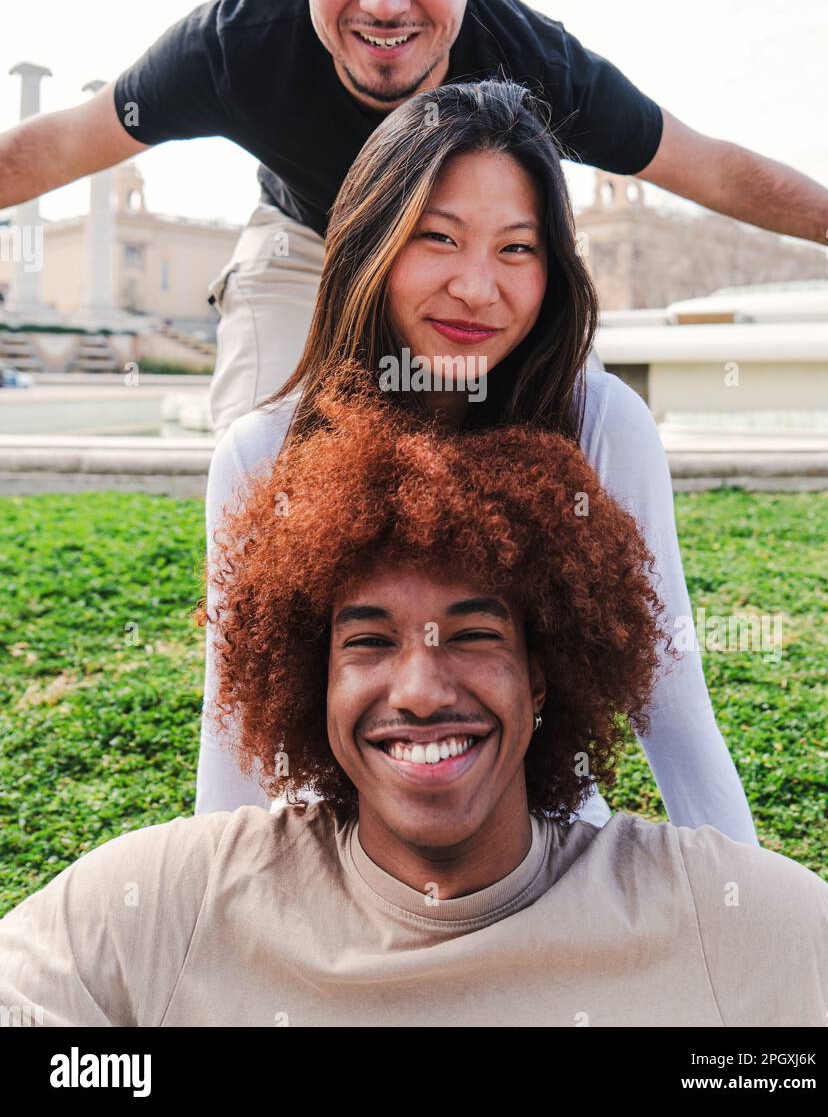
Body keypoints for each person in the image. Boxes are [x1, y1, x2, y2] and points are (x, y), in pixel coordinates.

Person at [1, 0, 828, 434]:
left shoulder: (536, 61)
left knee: (564, 455)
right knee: (263, 465)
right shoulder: (234, 45)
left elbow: (709, 165)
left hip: (479, 258)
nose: (384, 1)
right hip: (309, 244)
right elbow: (58, 147)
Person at [1, 380, 828, 1028]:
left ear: (547, 676)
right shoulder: (168, 905)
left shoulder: (716, 914)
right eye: (370, 641)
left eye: (477, 635)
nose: (418, 691)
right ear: (313, 682)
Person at [197, 77, 758, 846]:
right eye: (439, 237)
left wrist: (746, 910)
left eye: (516, 248)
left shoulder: (601, 424)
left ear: (553, 268)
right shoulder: (261, 453)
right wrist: (212, 928)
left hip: (545, 865)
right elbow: (234, 750)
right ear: (371, 243)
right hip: (343, 870)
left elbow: (673, 705)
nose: (476, 287)